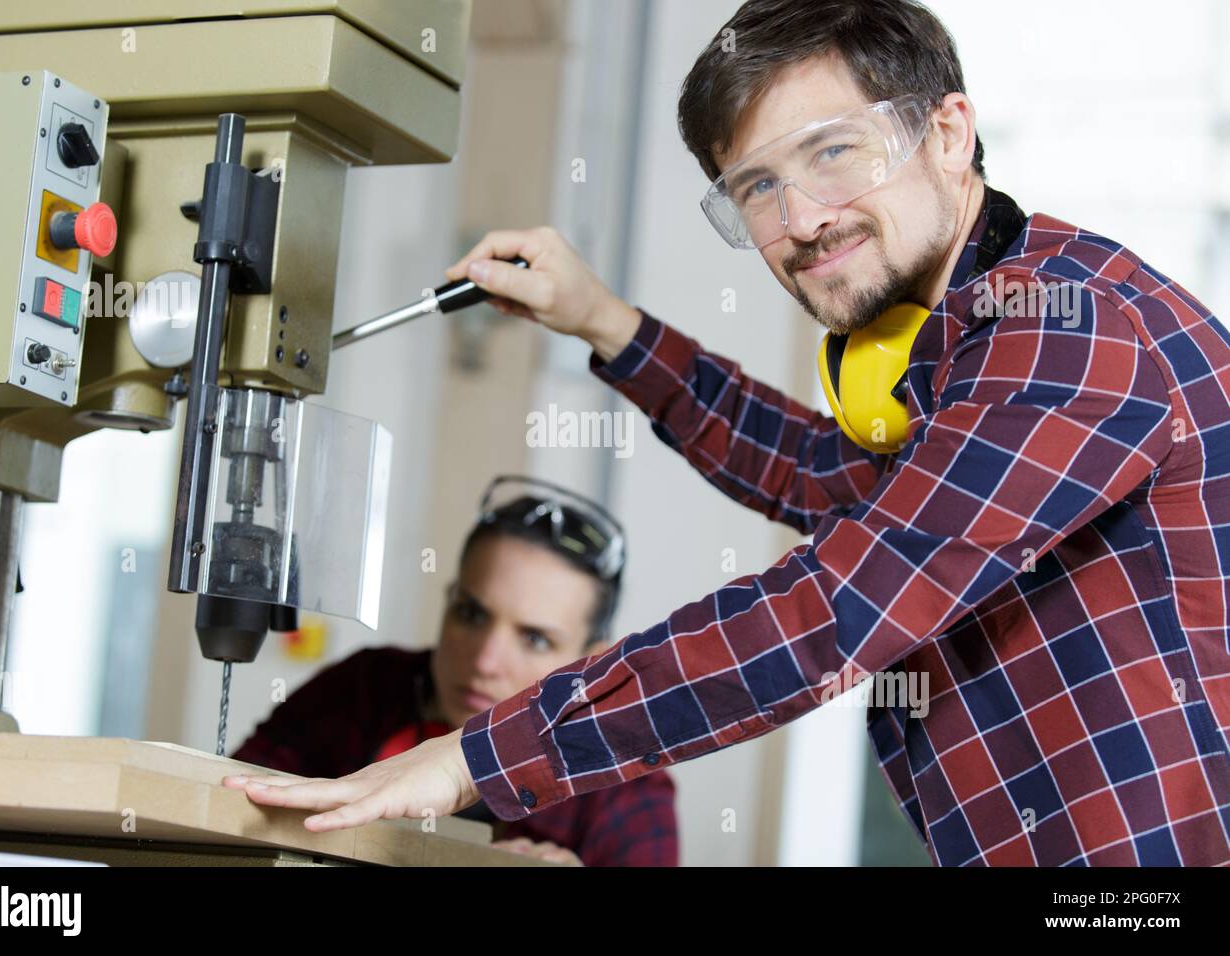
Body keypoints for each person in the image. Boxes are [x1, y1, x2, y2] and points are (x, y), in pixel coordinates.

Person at [226, 0, 1230, 866]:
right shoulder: (961, 353)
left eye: (832, 152)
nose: (802, 220)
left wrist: (473, 756)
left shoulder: (1068, 329)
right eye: (756, 186)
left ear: (947, 132)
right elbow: (812, 470)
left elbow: (831, 609)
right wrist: (603, 322)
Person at [231, 475, 677, 866]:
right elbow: (231, 801)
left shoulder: (626, 786)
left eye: (535, 639)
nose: (484, 661)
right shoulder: (365, 687)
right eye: (471, 614)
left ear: (591, 665)